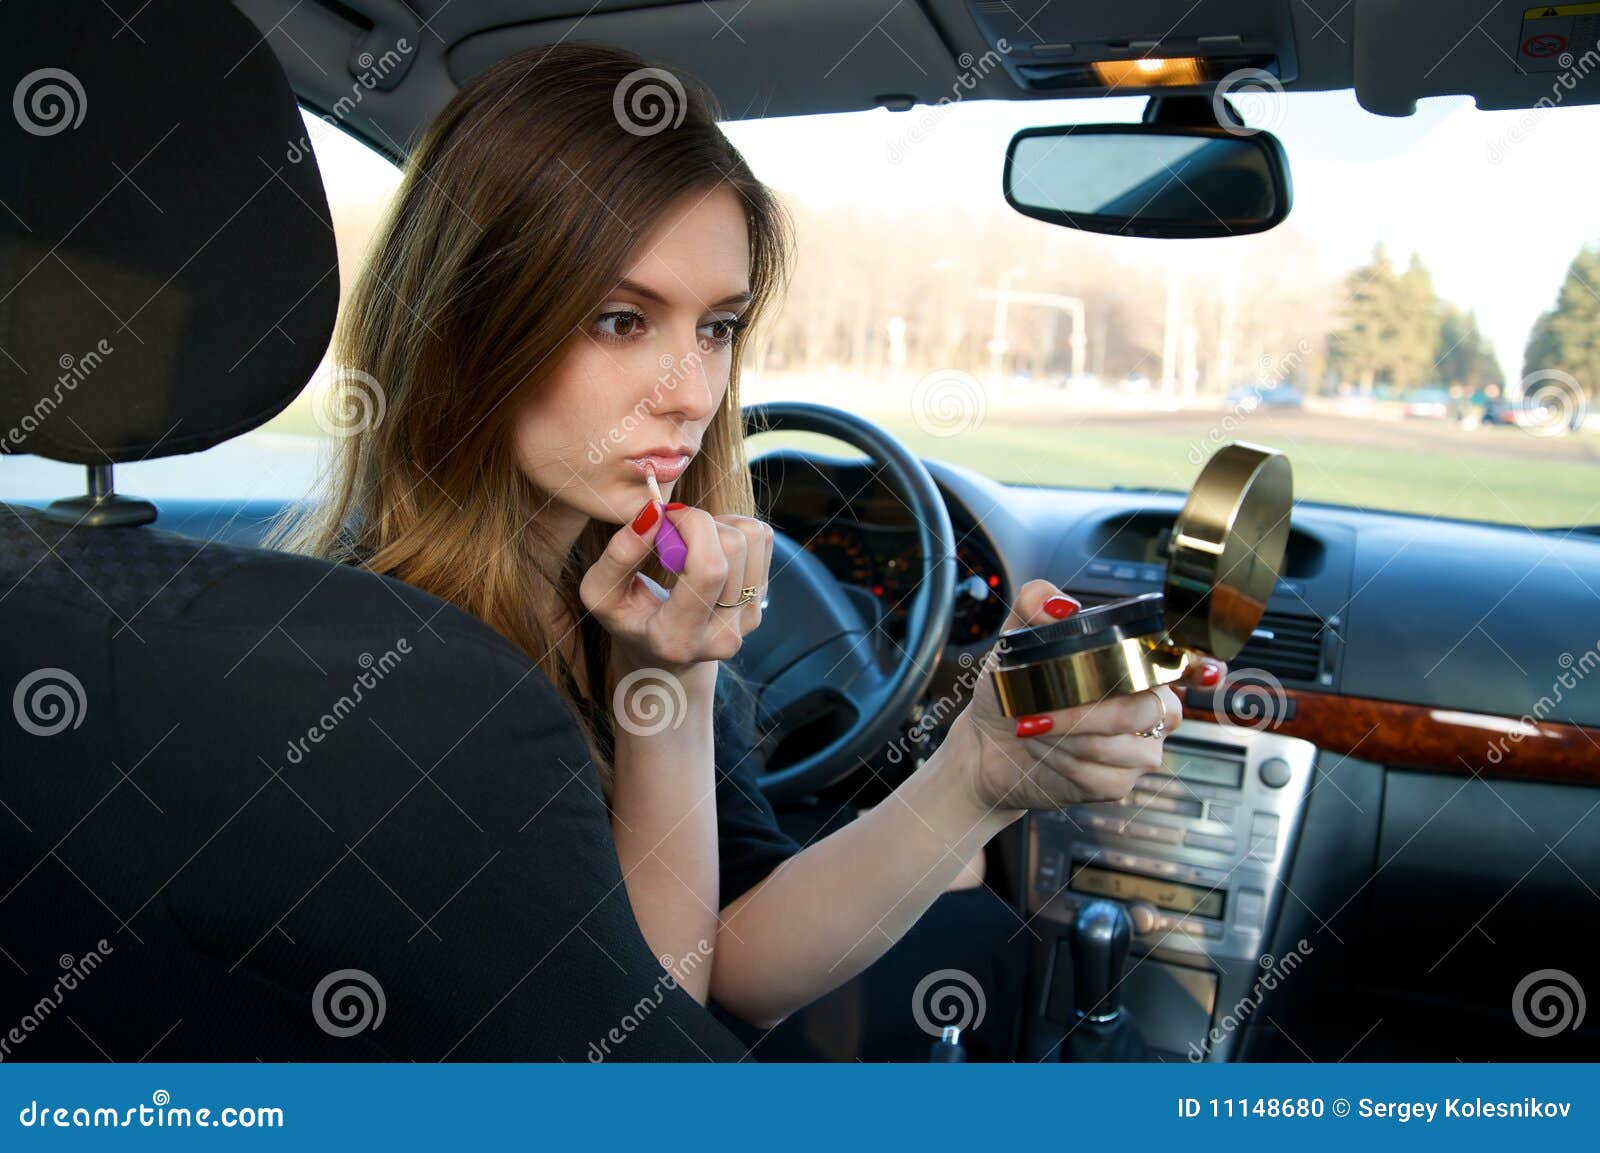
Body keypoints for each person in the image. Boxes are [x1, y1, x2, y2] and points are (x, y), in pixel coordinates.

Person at [272, 42, 1224, 1038]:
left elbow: (732, 957)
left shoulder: (627, 586)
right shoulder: (373, 668)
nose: (690, 393)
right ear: (468, 325)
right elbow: (647, 1037)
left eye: (717, 328)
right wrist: (670, 697)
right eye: (618, 319)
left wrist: (977, 776)